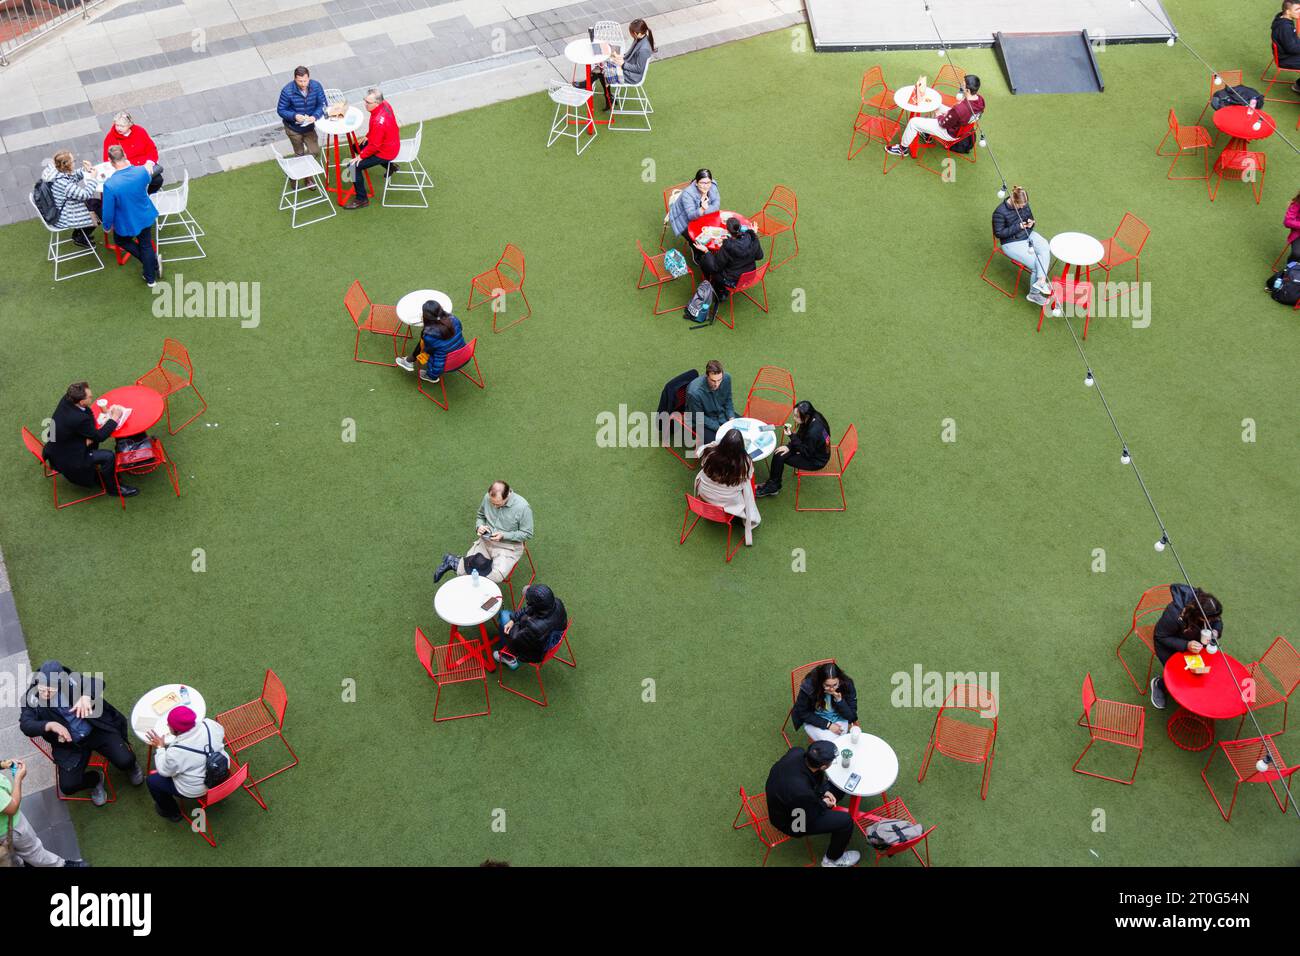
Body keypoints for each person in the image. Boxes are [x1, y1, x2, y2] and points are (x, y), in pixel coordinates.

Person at [19, 661, 144, 805]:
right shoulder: (31, 697)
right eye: (42, 689)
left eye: (50, 689)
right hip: (69, 745)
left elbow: (96, 683)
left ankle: (131, 767)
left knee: (126, 760)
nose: (45, 693)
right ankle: (95, 779)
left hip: (95, 730)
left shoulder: (71, 680)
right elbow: (26, 725)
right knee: (68, 786)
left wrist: (86, 696)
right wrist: (49, 725)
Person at [764, 741, 860, 867]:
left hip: (785, 800)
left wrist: (824, 791)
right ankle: (832, 860)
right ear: (823, 767)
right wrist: (824, 804)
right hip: (794, 823)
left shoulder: (796, 751)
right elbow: (810, 815)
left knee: (835, 789)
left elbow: (812, 781)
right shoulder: (802, 793)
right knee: (846, 821)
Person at [43, 381, 137, 498]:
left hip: (57, 446)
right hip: (68, 459)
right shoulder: (78, 418)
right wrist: (114, 418)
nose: (92, 397)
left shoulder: (68, 400)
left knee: (93, 439)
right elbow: (100, 436)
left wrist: (88, 437)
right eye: (90, 397)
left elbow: (88, 417)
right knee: (109, 456)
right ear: (82, 402)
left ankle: (98, 471)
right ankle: (113, 489)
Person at [434, 481, 534, 585]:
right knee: (466, 572)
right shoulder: (488, 497)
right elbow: (480, 515)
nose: (494, 506)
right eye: (492, 503)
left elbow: (527, 533)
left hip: (508, 547)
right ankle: (452, 562)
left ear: (507, 495)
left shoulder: (523, 508)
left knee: (494, 577)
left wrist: (504, 535)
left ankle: (454, 562)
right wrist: (479, 526)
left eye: (497, 504)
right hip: (485, 542)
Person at [144, 706, 226, 822]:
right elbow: (221, 733)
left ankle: (172, 812)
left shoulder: (175, 752)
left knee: (152, 781)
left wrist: (160, 748)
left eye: (169, 725)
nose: (168, 726)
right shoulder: (209, 724)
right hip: (222, 773)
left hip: (198, 788)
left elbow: (164, 771)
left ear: (176, 730)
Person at [1, 759, 88, 867]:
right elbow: (12, 807)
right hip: (10, 828)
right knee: (33, 851)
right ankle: (61, 865)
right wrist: (18, 779)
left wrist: (3, 764)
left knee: (14, 854)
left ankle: (22, 862)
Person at [1149, 586, 1224, 709]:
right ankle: (1159, 685)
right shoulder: (1174, 614)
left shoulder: (1209, 610)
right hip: (1169, 644)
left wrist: (1215, 631)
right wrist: (1185, 645)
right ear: (1198, 615)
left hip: (1195, 642)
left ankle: (1192, 691)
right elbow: (1160, 636)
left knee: (1203, 668)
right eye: (1210, 619)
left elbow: (1217, 621)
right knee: (1181, 672)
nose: (1213, 620)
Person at [101, 144, 159, 287]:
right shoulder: (141, 171)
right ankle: (151, 272)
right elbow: (148, 181)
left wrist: (106, 227)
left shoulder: (110, 184)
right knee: (146, 245)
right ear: (125, 155)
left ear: (110, 161)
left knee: (121, 241)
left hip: (126, 221)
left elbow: (108, 210)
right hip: (144, 215)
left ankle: (151, 266)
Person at [887, 74, 985, 156]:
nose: (960, 85)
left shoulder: (960, 109)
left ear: (967, 90)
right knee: (936, 105)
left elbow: (943, 123)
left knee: (913, 122)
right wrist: (950, 113)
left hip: (950, 132)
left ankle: (903, 148)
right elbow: (960, 114)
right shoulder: (980, 100)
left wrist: (940, 116)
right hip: (961, 126)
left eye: (963, 85)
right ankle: (927, 133)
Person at [693, 429, 761, 546]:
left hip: (705, 493)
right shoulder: (745, 463)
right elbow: (749, 476)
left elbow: (701, 459)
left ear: (722, 442)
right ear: (741, 447)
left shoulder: (709, 452)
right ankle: (743, 518)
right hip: (727, 502)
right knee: (747, 492)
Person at [992, 186, 1055, 306]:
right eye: (1021, 205)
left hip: (1027, 234)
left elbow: (1030, 218)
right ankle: (1034, 294)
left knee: (1045, 247)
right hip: (1011, 242)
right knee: (1037, 263)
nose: (1023, 207)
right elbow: (999, 233)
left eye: (1024, 204)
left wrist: (1031, 222)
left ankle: (1041, 281)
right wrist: (1018, 227)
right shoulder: (999, 212)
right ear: (1013, 200)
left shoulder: (1024, 204)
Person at [756, 400, 830, 499]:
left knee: (779, 456)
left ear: (806, 416)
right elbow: (802, 436)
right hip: (814, 449)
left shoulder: (813, 432)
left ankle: (773, 486)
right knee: (780, 452)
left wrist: (791, 436)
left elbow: (805, 452)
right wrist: (789, 446)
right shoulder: (814, 416)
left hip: (815, 460)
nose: (794, 418)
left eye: (797, 416)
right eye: (794, 415)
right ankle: (773, 484)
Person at [344, 88, 400, 210]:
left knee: (353, 166)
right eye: (365, 100)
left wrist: (361, 156)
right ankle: (391, 167)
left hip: (385, 152)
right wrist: (368, 136)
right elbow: (379, 135)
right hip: (391, 144)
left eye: (368, 102)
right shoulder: (385, 104)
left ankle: (361, 199)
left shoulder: (378, 122)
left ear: (377, 103)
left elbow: (374, 146)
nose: (365, 104)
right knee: (356, 146)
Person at [493, 583, 568, 670]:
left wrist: (519, 622)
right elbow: (528, 609)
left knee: (504, 615)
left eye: (529, 601)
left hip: (533, 653)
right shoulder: (556, 603)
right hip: (546, 638)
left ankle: (507, 657)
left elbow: (514, 640)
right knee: (510, 618)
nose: (527, 601)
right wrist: (513, 619)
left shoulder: (535, 628)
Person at [587, 18, 656, 109]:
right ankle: (608, 97)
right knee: (602, 64)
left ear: (637, 33)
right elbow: (631, 55)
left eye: (631, 32)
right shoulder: (640, 38)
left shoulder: (644, 49)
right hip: (626, 65)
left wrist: (623, 64)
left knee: (602, 69)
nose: (630, 34)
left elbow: (639, 69)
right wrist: (619, 57)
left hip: (632, 76)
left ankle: (591, 85)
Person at [693, 216, 764, 302]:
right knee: (717, 261)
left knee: (705, 261)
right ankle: (718, 288)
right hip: (750, 275)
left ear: (727, 231)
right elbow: (760, 256)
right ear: (740, 227)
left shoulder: (729, 246)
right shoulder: (752, 238)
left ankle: (719, 291)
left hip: (733, 280)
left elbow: (715, 267)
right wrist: (753, 234)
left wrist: (706, 251)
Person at [394, 300, 465, 382]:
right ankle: (408, 361)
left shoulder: (429, 335)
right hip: (464, 354)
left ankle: (429, 376)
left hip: (445, 365)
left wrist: (425, 332)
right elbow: (460, 329)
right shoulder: (454, 319)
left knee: (424, 347)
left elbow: (427, 351)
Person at [40, 150, 99, 248]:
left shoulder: (56, 172)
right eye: (73, 161)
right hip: (64, 216)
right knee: (98, 212)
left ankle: (80, 234)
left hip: (59, 209)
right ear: (66, 165)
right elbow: (85, 194)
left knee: (95, 205)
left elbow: (71, 176)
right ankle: (80, 237)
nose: (75, 163)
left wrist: (84, 170)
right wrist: (93, 179)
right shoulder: (63, 183)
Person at [790, 662, 859, 743]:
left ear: (839, 680)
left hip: (839, 717)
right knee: (831, 744)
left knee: (841, 740)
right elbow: (803, 713)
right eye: (827, 685)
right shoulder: (809, 688)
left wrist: (839, 701)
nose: (832, 689)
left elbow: (851, 716)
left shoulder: (847, 684)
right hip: (815, 720)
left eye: (835, 685)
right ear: (820, 682)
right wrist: (828, 725)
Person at [101, 112, 163, 194]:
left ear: (130, 125)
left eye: (122, 126)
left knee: (158, 180)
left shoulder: (140, 131)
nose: (118, 128)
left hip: (145, 167)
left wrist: (149, 163)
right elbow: (108, 160)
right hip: (127, 172)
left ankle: (148, 195)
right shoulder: (110, 138)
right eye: (117, 125)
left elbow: (151, 149)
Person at [277, 65, 327, 157]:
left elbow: (323, 104)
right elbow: (281, 110)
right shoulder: (287, 91)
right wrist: (294, 116)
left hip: (309, 127)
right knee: (299, 153)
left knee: (315, 151)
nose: (303, 84)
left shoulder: (316, 86)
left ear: (309, 78)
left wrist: (315, 116)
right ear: (295, 79)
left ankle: (310, 165)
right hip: (293, 128)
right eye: (300, 81)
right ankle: (302, 167)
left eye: (305, 80)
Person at [684, 359, 736, 446]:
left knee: (741, 433)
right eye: (713, 381)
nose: (717, 384)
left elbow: (728, 400)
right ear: (706, 376)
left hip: (721, 414)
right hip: (702, 421)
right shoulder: (694, 392)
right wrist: (718, 428)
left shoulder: (727, 378)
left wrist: (731, 417)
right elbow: (698, 417)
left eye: (719, 380)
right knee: (720, 446)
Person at [667, 168, 719, 241]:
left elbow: (716, 205)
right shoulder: (687, 194)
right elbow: (691, 216)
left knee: (716, 232)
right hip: (683, 220)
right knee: (698, 241)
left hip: (701, 216)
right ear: (696, 183)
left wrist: (704, 211)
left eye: (708, 182)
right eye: (702, 183)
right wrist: (702, 209)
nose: (706, 186)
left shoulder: (713, 185)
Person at [1273, 1, 1300, 93]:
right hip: (1286, 59)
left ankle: (1298, 85)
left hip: (1286, 54)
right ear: (1288, 12)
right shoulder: (1285, 27)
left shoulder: (1283, 18)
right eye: (1297, 9)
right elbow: (1292, 48)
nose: (1299, 11)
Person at [1283, 189, 1300, 263]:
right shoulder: (1297, 203)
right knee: (1297, 254)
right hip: (1298, 234)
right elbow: (1287, 222)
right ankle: (1289, 271)